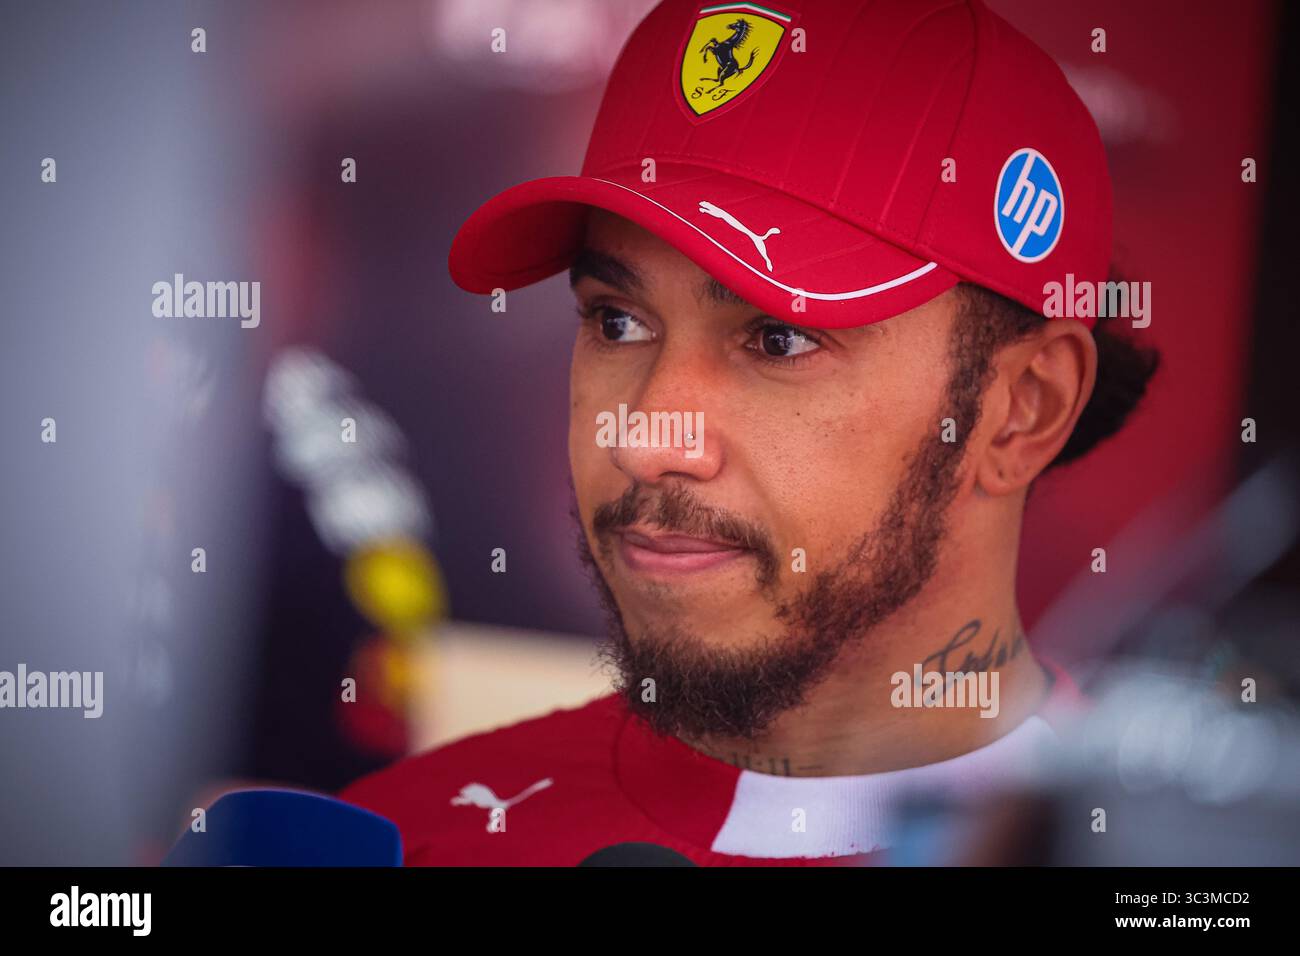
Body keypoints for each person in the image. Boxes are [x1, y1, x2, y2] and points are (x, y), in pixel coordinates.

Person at [340, 0, 1157, 865]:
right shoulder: (409, 836)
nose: (646, 438)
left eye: (779, 339)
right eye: (617, 321)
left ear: (1022, 408)